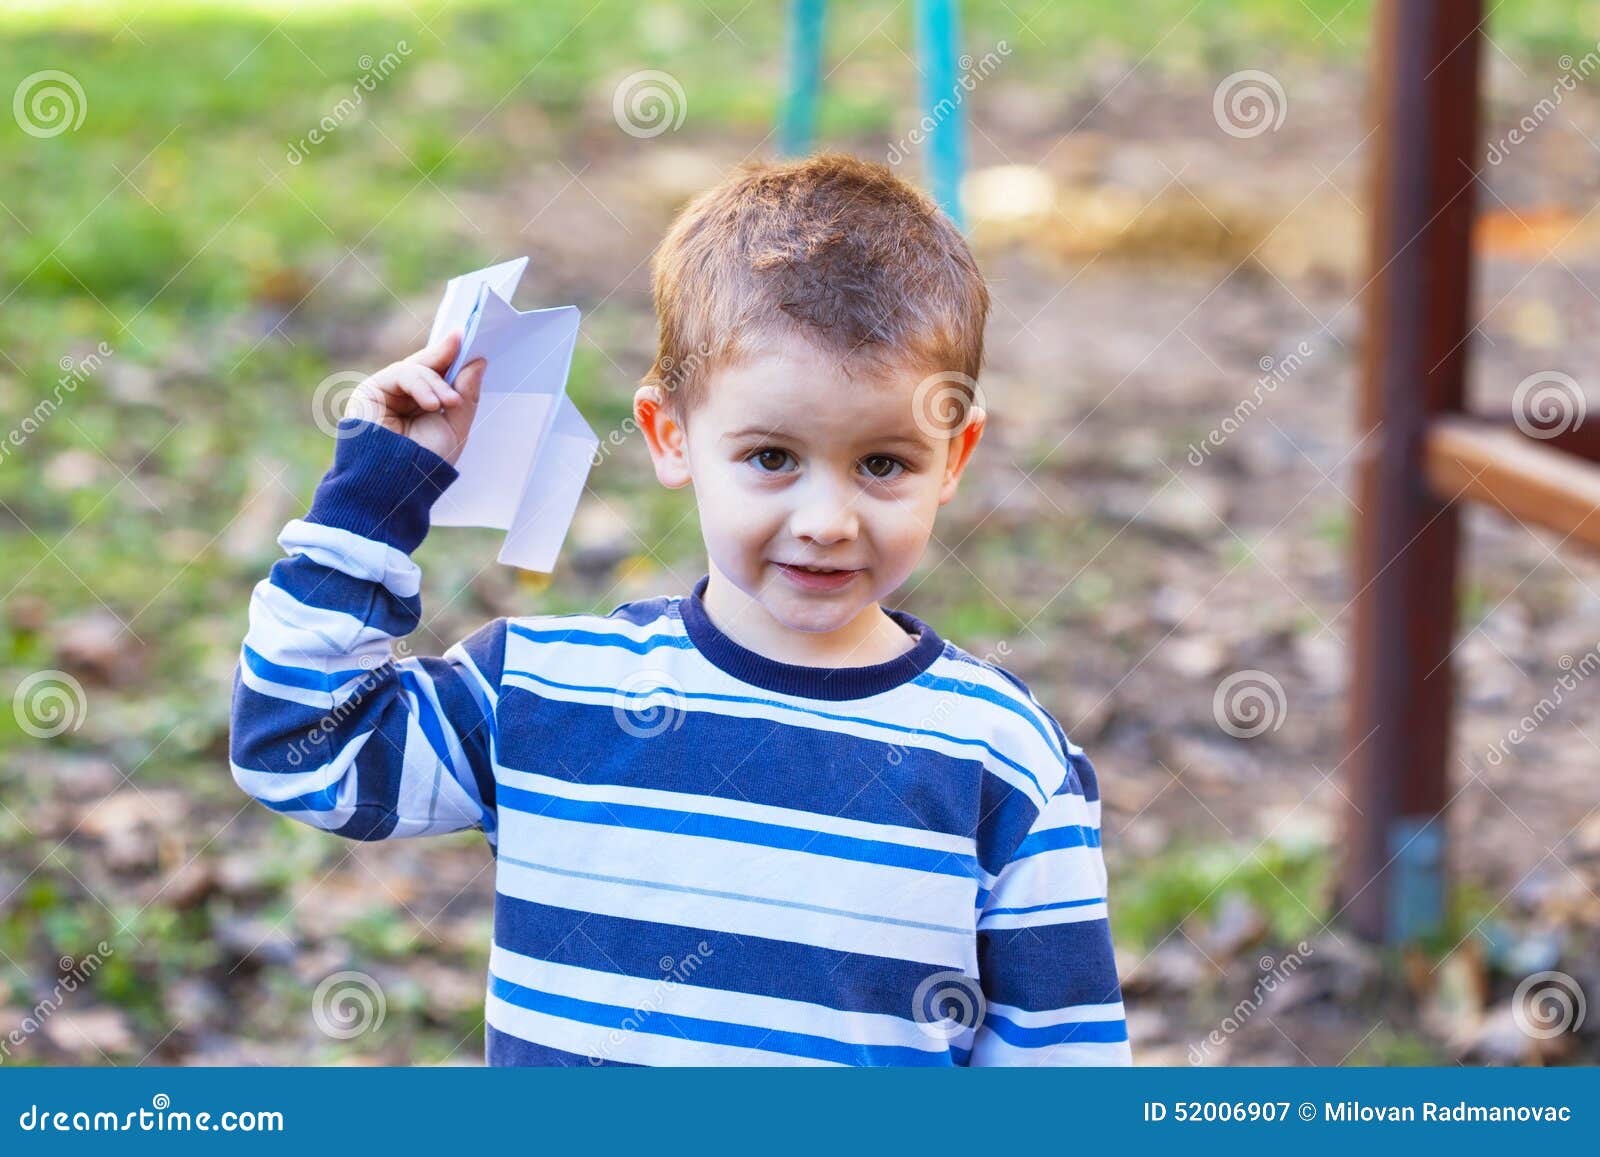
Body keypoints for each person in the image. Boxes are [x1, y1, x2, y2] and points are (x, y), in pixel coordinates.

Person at [229, 152, 1131, 1067]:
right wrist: (377, 494)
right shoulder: (545, 698)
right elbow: (300, 745)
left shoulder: (1003, 760)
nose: (826, 522)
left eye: (884, 463)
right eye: (773, 456)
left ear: (955, 454)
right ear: (670, 434)